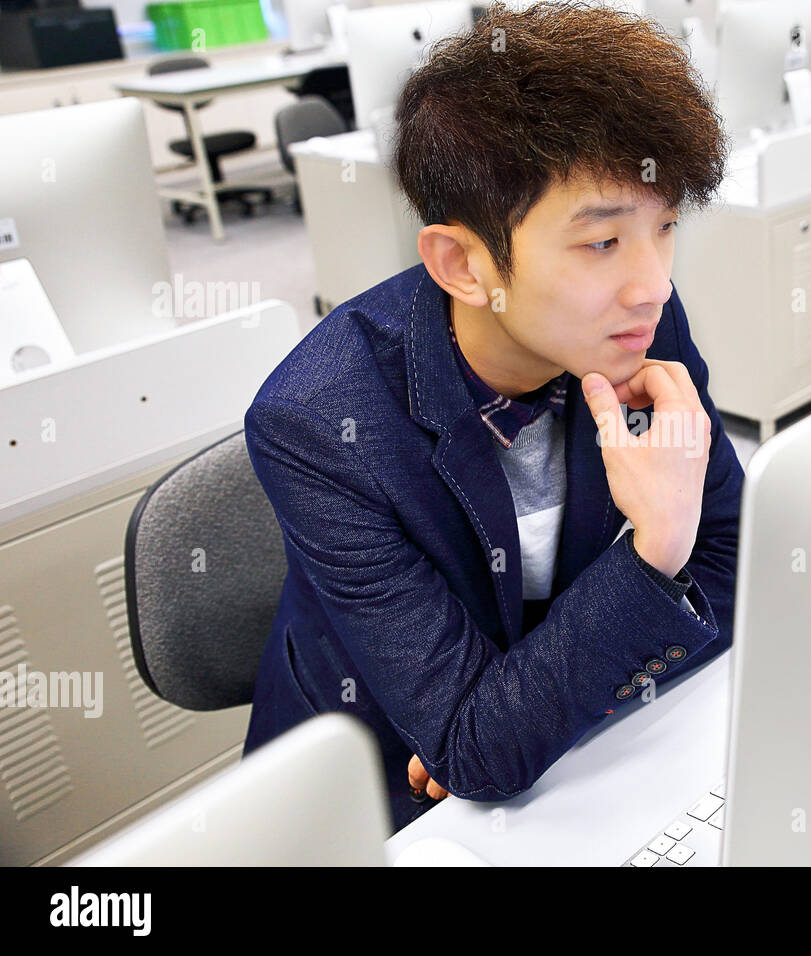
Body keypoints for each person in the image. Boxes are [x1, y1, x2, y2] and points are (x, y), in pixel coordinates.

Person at [240, 0, 744, 833]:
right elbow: (475, 754)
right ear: (464, 265)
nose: (652, 282)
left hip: (564, 755)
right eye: (602, 243)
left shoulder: (635, 323)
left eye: (666, 228)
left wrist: (526, 714)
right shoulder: (317, 424)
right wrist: (654, 551)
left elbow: (731, 565)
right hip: (369, 798)